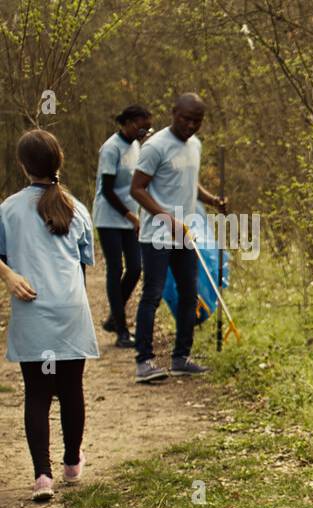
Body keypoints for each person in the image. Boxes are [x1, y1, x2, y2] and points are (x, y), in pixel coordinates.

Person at [0, 130, 100, 501]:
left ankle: (43, 477)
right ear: (59, 162)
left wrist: (9, 275)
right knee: (72, 389)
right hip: (70, 310)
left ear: (22, 165)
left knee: (38, 393)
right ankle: (72, 463)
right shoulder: (77, 207)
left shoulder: (8, 209)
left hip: (33, 310)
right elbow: (83, 265)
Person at [129, 92, 226, 383]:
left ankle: (181, 357)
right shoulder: (155, 147)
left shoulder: (195, 145)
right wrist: (165, 218)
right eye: (186, 119)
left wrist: (212, 200)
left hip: (186, 232)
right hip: (158, 233)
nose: (190, 125)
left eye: (197, 121)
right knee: (152, 295)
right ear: (173, 113)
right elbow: (137, 189)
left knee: (188, 294)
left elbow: (188, 181)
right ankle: (144, 362)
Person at [92, 104, 152, 349]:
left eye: (146, 127)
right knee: (115, 268)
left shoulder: (137, 147)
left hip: (130, 217)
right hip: (109, 217)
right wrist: (129, 215)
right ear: (126, 122)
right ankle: (122, 331)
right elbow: (107, 190)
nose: (143, 130)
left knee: (136, 268)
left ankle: (112, 319)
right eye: (140, 125)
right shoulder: (111, 148)